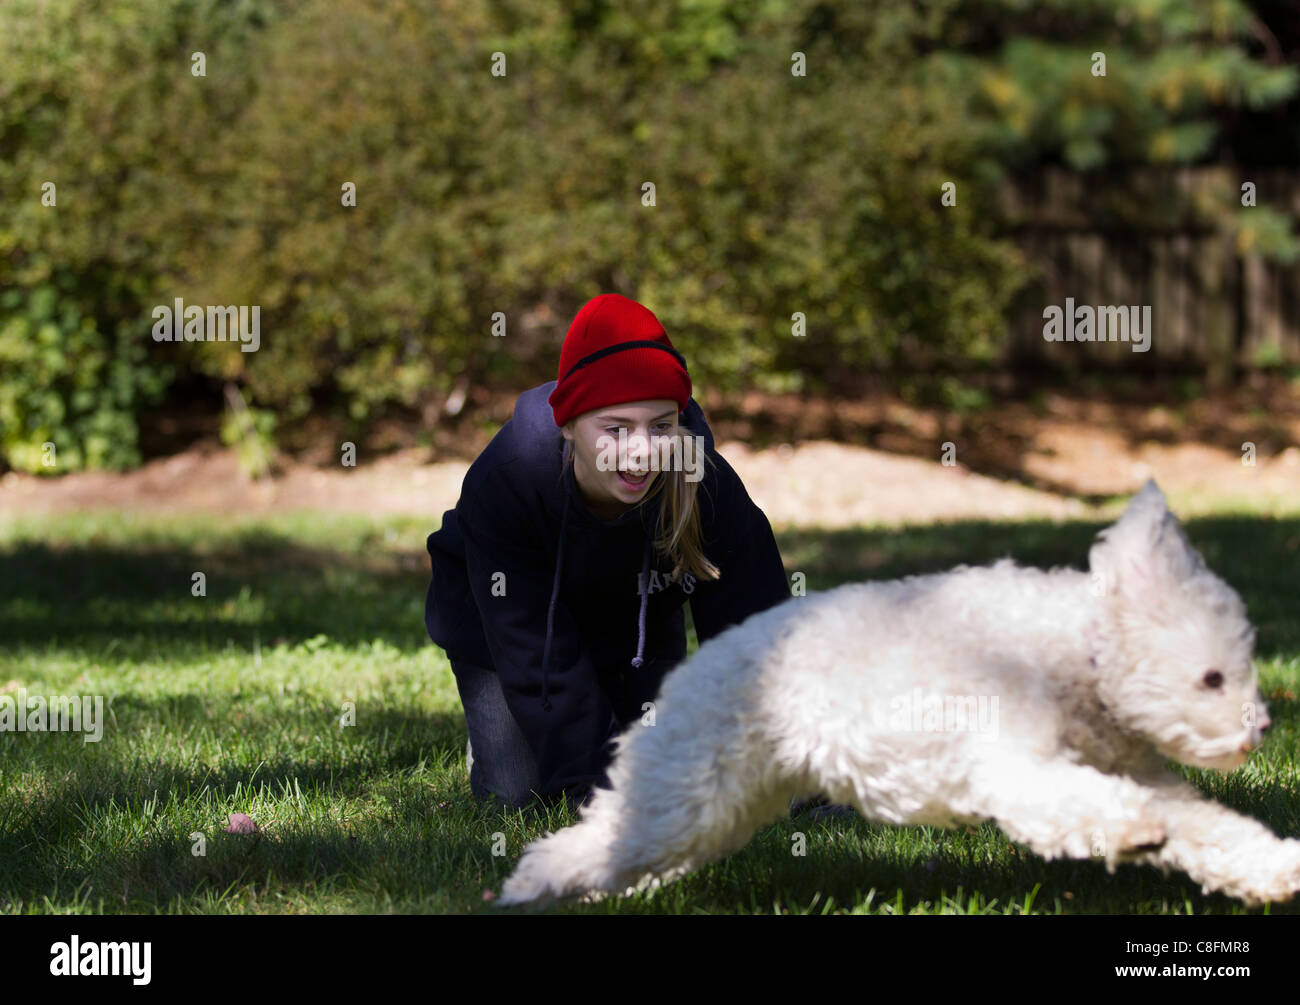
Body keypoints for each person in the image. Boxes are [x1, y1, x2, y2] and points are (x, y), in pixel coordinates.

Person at [424, 293, 791, 812]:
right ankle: (501, 726)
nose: (640, 451)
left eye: (660, 426)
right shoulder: (508, 480)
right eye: (616, 428)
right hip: (506, 633)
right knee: (524, 793)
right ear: (570, 424)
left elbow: (752, 622)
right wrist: (599, 792)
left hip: (633, 616)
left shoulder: (698, 474)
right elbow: (534, 645)